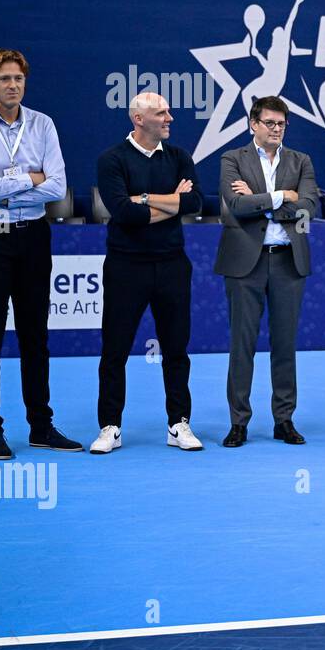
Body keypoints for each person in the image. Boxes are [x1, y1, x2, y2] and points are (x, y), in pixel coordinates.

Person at [0, 48, 80, 459]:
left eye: (19, 79)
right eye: (5, 79)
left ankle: (41, 426)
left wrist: (7, 179)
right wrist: (30, 177)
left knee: (35, 337)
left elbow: (57, 187)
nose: (13, 86)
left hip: (32, 237)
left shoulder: (43, 125)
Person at [91, 92, 204, 454]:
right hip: (126, 267)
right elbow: (124, 214)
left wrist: (144, 197)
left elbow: (194, 202)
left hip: (173, 265)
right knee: (115, 349)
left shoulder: (180, 157)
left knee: (176, 349)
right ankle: (110, 426)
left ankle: (178, 423)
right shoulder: (111, 160)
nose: (169, 118)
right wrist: (167, 200)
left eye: (168, 111)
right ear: (139, 120)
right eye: (161, 113)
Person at [214, 96, 320, 448]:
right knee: (241, 344)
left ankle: (284, 420)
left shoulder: (301, 160)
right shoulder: (232, 159)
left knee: (285, 345)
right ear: (253, 125)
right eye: (270, 123)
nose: (277, 130)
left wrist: (262, 199)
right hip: (246, 264)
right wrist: (280, 196)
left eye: (281, 124)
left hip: (289, 261)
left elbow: (308, 209)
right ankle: (239, 422)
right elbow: (236, 207)